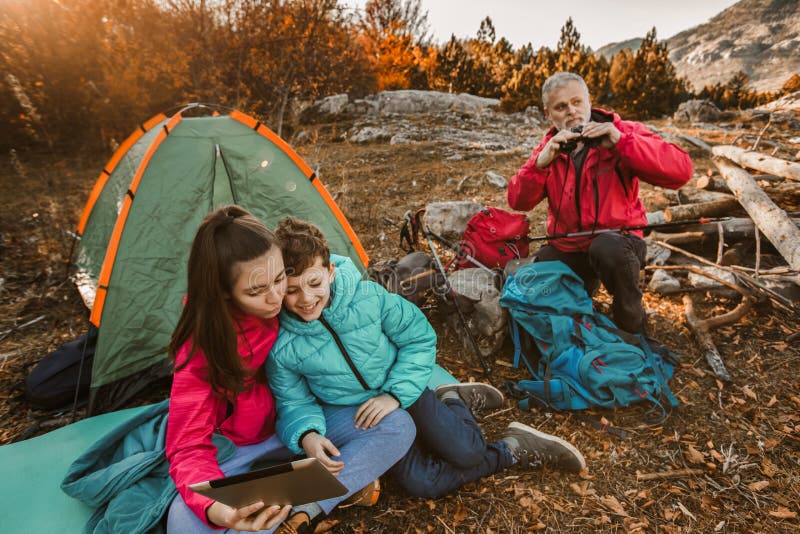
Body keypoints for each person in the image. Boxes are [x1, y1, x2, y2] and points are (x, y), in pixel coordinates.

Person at [266, 217, 586, 501]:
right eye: (292, 290)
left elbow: (419, 338)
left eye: (314, 283)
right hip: (363, 416)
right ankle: (512, 449)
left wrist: (394, 394)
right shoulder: (283, 344)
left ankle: (452, 397)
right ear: (279, 286)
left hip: (407, 390)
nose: (306, 299)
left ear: (330, 271)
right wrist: (307, 434)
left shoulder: (369, 299)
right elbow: (292, 400)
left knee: (469, 451)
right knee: (423, 483)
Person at [165, 205, 416, 534]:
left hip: (306, 418)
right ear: (223, 292)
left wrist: (309, 433)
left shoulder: (297, 301)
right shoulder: (202, 347)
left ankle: (304, 509)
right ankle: (291, 501)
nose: (276, 297)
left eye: (280, 278)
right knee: (184, 522)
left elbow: (327, 276)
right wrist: (219, 511)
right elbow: (187, 445)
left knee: (395, 427)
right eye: (256, 291)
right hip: (240, 444)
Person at [508, 72, 693, 334]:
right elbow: (517, 201)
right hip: (569, 246)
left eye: (577, 102)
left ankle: (631, 321)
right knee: (538, 284)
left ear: (588, 101)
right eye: (561, 107)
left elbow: (682, 171)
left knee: (606, 247)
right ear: (548, 113)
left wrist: (621, 143)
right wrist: (540, 163)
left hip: (618, 243)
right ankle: (583, 296)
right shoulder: (550, 146)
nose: (571, 112)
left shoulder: (623, 132)